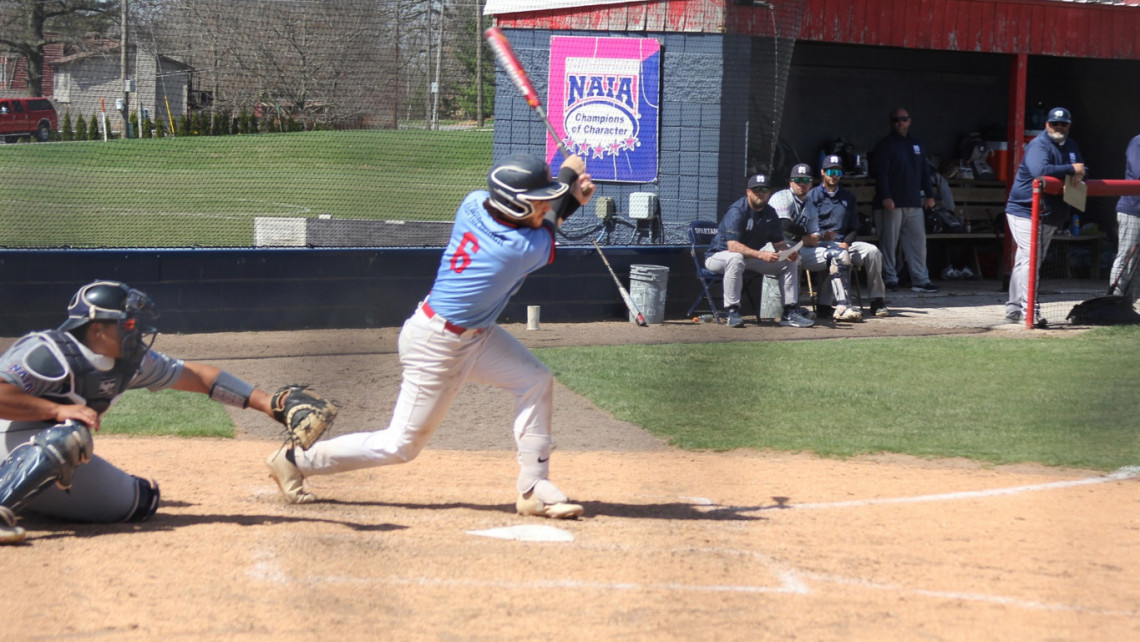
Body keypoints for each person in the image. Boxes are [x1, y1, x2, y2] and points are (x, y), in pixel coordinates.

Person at [265, 153, 596, 519]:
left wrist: (564, 182)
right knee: (401, 446)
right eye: (538, 201)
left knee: (535, 380)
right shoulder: (516, 250)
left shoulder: (473, 203)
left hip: (474, 334)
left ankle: (533, 489)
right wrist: (569, 181)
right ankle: (295, 460)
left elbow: (544, 218)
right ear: (514, 206)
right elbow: (546, 227)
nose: (545, 205)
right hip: (437, 346)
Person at [0, 280, 303, 545]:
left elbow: (198, 376)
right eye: (127, 325)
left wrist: (269, 404)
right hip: (6, 439)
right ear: (97, 330)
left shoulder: (130, 362)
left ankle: (21, 493)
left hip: (35, 452)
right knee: (69, 437)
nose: (137, 330)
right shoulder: (46, 352)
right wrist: (55, 409)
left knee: (139, 502)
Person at [1004, 107, 1086, 324]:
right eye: (1054, 123)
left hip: (1049, 213)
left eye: (1063, 124)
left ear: (1068, 125)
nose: (1058, 127)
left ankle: (1013, 308)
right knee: (1032, 258)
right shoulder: (1039, 145)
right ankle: (1029, 310)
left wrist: (1079, 171)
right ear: (1046, 125)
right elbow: (1039, 169)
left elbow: (1080, 168)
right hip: (1023, 210)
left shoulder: (1071, 145)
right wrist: (1071, 169)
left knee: (1026, 260)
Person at [704, 173, 814, 329]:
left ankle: (790, 311)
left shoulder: (770, 213)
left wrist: (788, 252)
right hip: (718, 256)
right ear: (748, 192)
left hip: (748, 258)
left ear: (769, 192)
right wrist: (762, 255)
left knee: (790, 263)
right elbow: (733, 246)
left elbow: (779, 244)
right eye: (756, 189)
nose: (760, 193)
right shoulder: (738, 210)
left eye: (764, 189)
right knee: (735, 258)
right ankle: (732, 311)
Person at [772, 163, 862, 322]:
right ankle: (793, 308)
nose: (802, 184)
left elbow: (814, 237)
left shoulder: (810, 206)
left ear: (811, 183)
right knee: (793, 259)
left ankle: (843, 306)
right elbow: (783, 225)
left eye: (805, 180)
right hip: (776, 248)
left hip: (800, 248)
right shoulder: (781, 197)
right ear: (790, 182)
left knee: (839, 255)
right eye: (798, 180)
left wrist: (815, 237)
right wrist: (807, 236)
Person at [805, 155, 891, 318]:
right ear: (823, 172)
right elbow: (806, 227)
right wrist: (821, 237)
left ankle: (877, 300)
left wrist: (846, 242)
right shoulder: (812, 196)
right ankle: (826, 305)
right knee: (835, 256)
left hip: (844, 242)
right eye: (830, 171)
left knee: (872, 251)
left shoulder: (848, 196)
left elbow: (854, 227)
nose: (834, 175)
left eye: (838, 171)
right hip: (820, 244)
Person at [871, 107, 939, 293]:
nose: (900, 123)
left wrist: (930, 195)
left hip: (914, 202)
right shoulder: (885, 145)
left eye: (904, 119)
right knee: (889, 243)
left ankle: (921, 279)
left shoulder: (917, 145)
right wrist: (886, 196)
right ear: (891, 122)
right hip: (891, 203)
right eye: (896, 120)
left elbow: (925, 171)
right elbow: (881, 174)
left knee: (918, 243)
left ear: (910, 121)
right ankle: (890, 278)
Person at [1109, 134, 1140, 301]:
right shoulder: (1137, 142)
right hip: (1133, 209)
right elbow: (1137, 172)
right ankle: (1114, 300)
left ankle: (1129, 303)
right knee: (1126, 256)